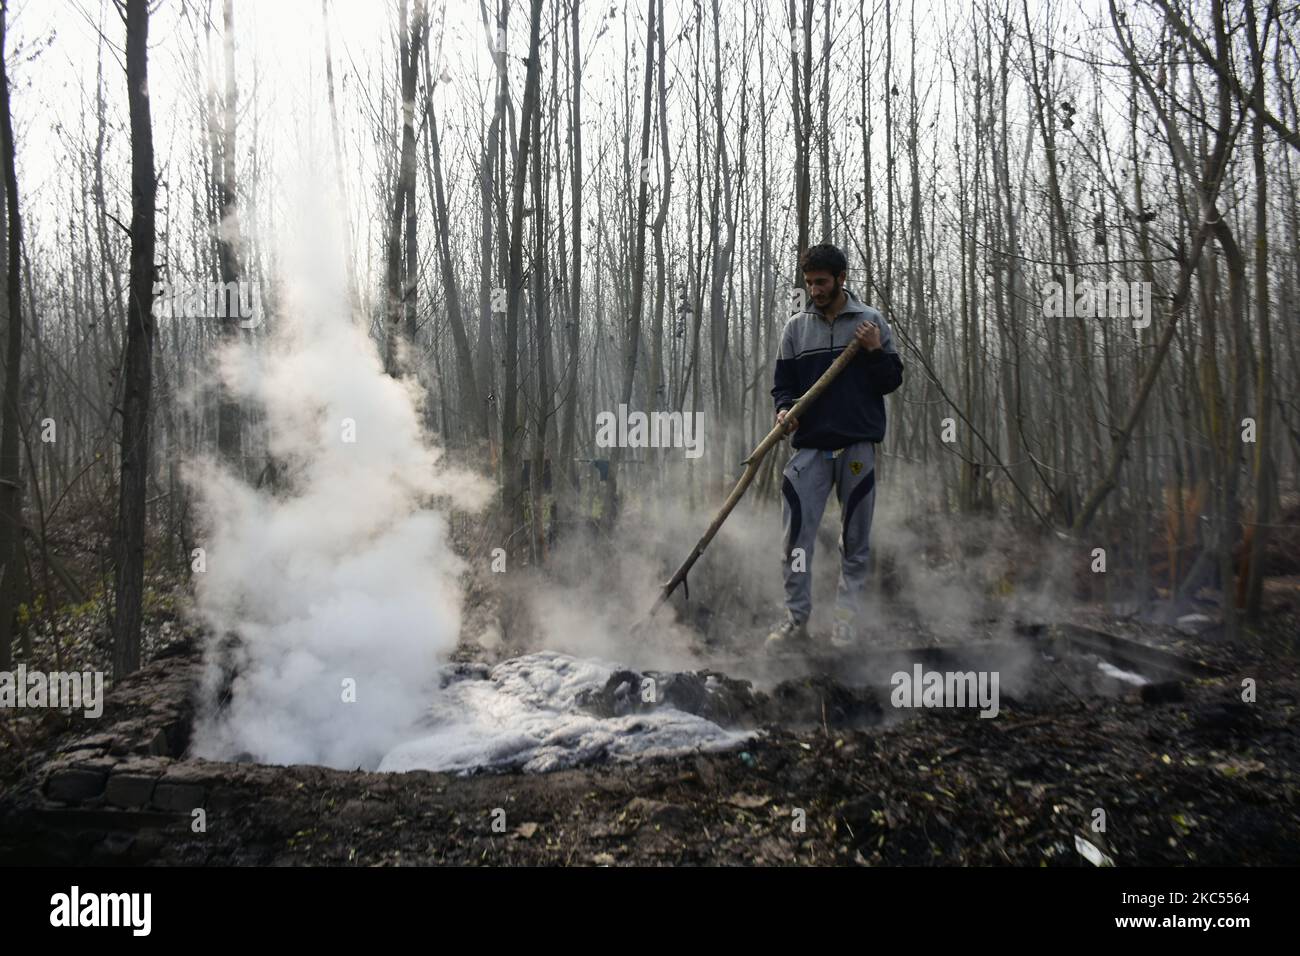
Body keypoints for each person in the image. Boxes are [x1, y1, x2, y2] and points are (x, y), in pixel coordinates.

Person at [767, 243, 904, 650]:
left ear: (841, 279)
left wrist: (875, 349)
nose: (815, 290)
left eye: (822, 282)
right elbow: (783, 387)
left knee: (856, 542)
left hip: (857, 449)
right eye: (809, 283)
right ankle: (796, 620)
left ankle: (846, 624)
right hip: (809, 449)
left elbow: (891, 381)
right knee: (795, 541)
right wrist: (783, 411)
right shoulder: (795, 328)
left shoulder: (870, 322)